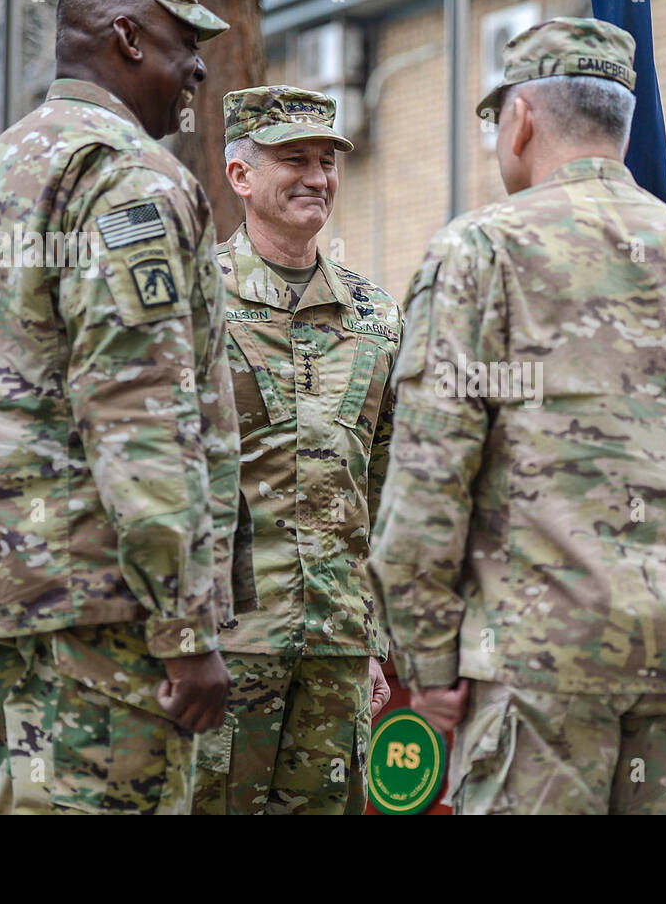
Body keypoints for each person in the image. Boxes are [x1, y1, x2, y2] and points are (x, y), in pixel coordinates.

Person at [367, 17, 666, 815]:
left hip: (535, 673)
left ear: (521, 119)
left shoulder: (478, 254)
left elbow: (426, 482)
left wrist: (428, 665)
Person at [0, 0, 239, 814]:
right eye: (185, 43)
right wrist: (184, 624)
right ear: (128, 37)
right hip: (104, 616)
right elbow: (137, 406)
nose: (200, 67)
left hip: (5, 605)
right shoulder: (126, 174)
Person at [190, 86, 398, 815]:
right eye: (293, 158)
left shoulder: (376, 316)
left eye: (326, 160)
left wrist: (374, 636)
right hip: (226, 645)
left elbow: (387, 484)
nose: (317, 176)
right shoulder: (196, 299)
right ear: (242, 175)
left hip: (337, 650)